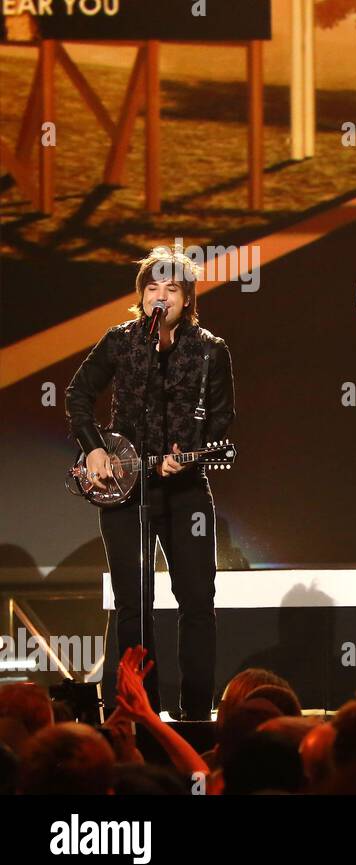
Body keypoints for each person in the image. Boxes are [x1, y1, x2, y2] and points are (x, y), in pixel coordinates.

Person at [66, 245, 235, 720]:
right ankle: (140, 712)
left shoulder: (209, 350)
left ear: (187, 297)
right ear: (142, 295)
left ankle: (197, 714)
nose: (161, 296)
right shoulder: (121, 341)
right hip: (125, 490)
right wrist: (93, 446)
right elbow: (79, 392)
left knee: (198, 599)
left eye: (172, 288)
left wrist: (190, 451)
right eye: (152, 287)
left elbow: (222, 419)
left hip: (186, 492)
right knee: (133, 604)